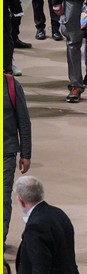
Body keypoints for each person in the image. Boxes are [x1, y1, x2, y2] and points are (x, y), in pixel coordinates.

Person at [3, 70, 32, 244]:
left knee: (3, 198)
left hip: (6, 152)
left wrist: (26, 153)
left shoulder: (11, 85)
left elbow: (24, 121)